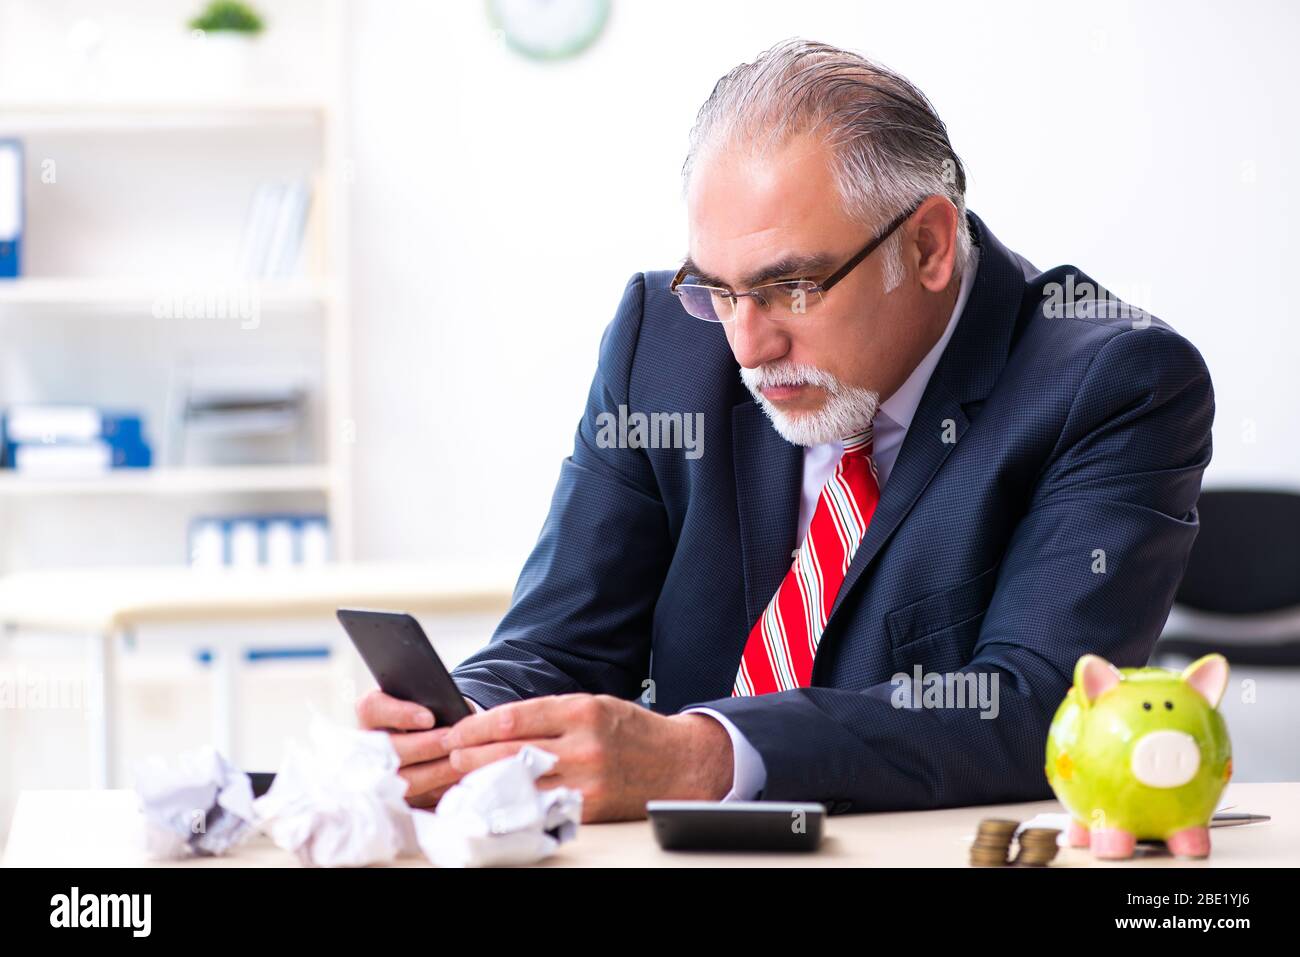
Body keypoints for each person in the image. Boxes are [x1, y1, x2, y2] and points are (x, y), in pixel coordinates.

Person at [357, 38, 1213, 822]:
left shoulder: (1115, 385)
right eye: (718, 289)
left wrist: (704, 756)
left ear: (927, 246)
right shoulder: (664, 340)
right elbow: (558, 643)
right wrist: (465, 724)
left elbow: (1035, 706)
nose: (748, 343)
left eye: (793, 287)